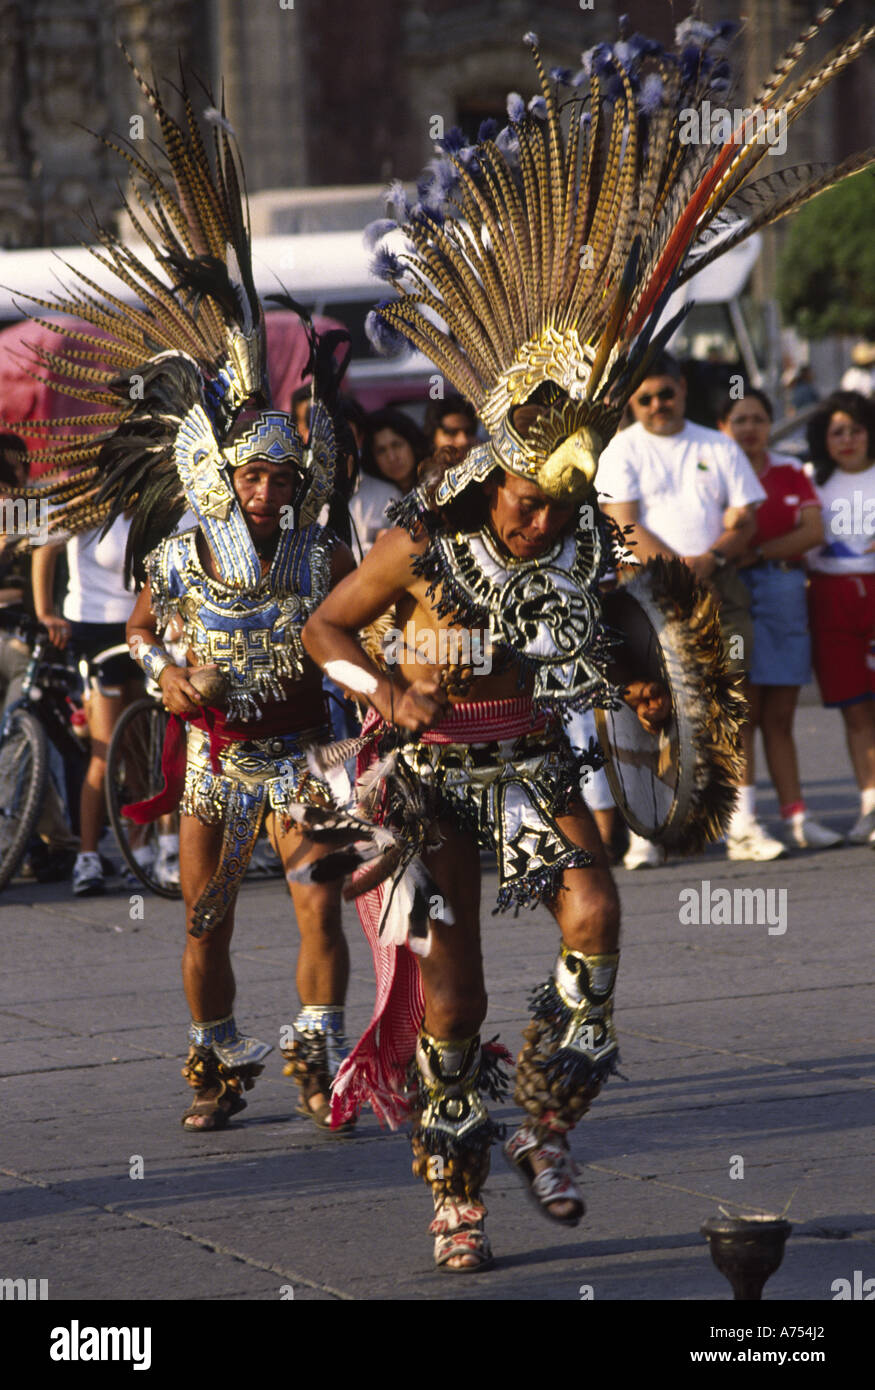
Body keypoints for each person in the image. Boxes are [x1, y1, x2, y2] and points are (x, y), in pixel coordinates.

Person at [12, 60, 359, 1131]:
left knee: (318, 902)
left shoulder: (316, 547)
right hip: (208, 754)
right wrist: (169, 672)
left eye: (278, 477)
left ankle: (318, 1053)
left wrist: (371, 691)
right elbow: (149, 627)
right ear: (225, 475)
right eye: (251, 476)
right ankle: (213, 1065)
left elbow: (348, 625)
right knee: (203, 920)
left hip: (304, 750)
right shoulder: (182, 547)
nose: (265, 491)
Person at [597, 354, 787, 865]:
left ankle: (743, 825)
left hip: (719, 586)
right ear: (630, 402)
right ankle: (649, 830)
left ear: (682, 389)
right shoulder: (620, 450)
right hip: (646, 591)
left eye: (666, 393)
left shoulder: (719, 444)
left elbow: (745, 516)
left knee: (731, 707)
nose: (658, 404)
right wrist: (685, 567)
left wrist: (714, 557)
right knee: (651, 707)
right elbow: (625, 525)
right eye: (646, 398)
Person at [717, 389, 840, 849]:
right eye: (740, 419)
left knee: (782, 716)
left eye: (759, 419)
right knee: (743, 710)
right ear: (723, 426)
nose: (750, 428)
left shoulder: (791, 472)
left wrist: (760, 553)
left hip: (784, 591)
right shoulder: (714, 472)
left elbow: (812, 530)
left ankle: (797, 819)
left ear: (770, 425)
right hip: (732, 596)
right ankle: (744, 822)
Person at [31, 516, 150, 895]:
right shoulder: (87, 500)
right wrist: (44, 612)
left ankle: (140, 849)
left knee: (139, 747)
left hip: (142, 626)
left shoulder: (153, 498)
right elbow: (43, 544)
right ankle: (88, 855)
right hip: (94, 630)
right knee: (105, 748)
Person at [804, 390, 875, 844]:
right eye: (837, 432)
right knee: (855, 710)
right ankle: (870, 802)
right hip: (830, 601)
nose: (847, 439)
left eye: (855, 430)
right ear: (824, 440)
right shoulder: (811, 481)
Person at [360, 408, 427, 496]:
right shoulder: (373, 499)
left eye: (396, 445)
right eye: (381, 451)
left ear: (412, 443)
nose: (392, 458)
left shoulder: (437, 481)